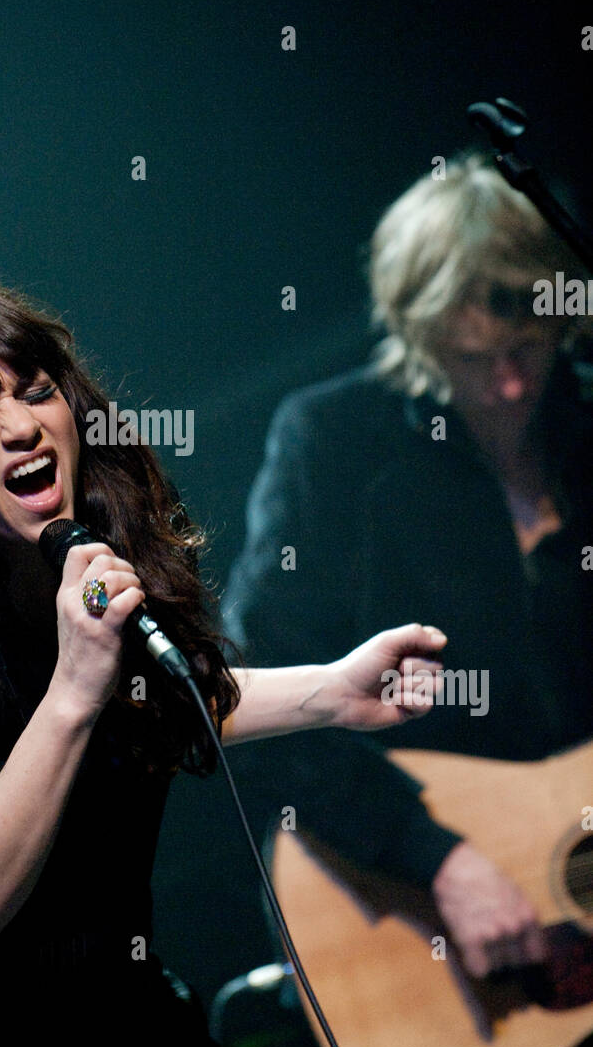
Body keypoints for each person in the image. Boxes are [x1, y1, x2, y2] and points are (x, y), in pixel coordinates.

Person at [0, 277, 446, 1047]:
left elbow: (163, 706)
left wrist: (336, 690)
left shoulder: (71, 585)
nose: (22, 426)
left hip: (133, 1042)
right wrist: (74, 688)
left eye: (36, 393)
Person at [224, 153, 593, 987]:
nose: (505, 383)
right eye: (473, 355)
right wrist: (438, 860)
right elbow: (261, 702)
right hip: (423, 932)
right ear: (419, 334)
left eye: (529, 348)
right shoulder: (333, 441)